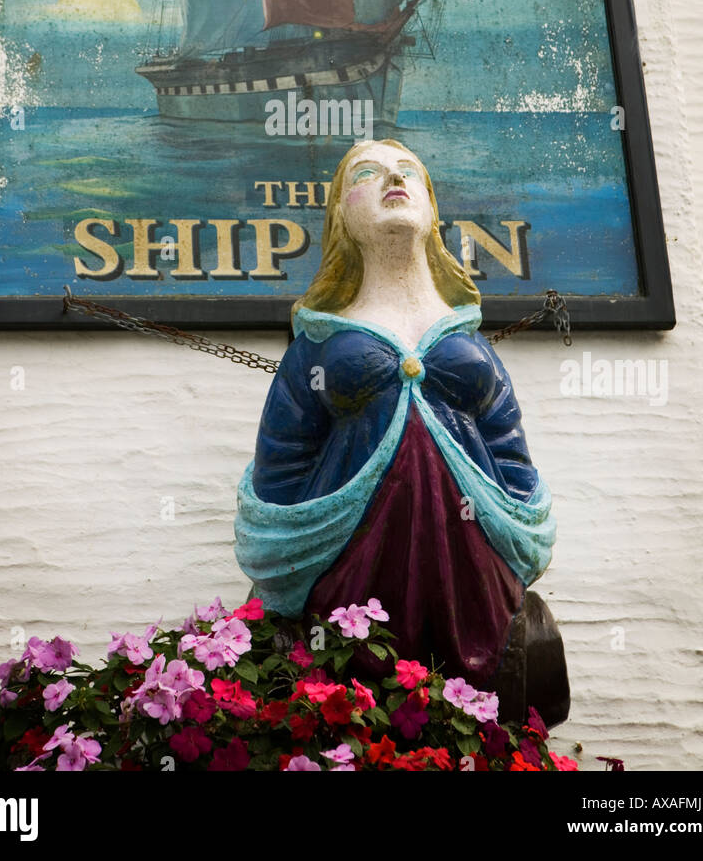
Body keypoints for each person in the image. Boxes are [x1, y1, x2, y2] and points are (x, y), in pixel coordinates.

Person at [234, 137, 569, 725]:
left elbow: (510, 453)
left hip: (474, 570)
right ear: (341, 211)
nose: (394, 179)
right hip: (349, 569)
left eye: (409, 171)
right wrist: (290, 561)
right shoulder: (318, 341)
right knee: (352, 704)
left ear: (432, 209)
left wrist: (518, 531)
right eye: (368, 173)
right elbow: (282, 461)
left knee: (479, 706)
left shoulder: (469, 337)